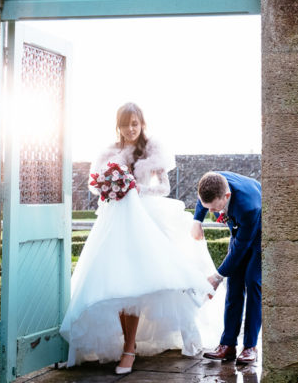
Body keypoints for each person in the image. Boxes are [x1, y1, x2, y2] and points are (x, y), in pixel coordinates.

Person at [60, 102, 223, 374]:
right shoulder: (110, 153)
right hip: (117, 222)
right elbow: (96, 185)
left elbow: (165, 187)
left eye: (135, 123)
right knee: (117, 281)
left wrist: (137, 188)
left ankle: (133, 347)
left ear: (142, 124)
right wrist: (112, 187)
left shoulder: (152, 150)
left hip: (147, 218)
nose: (130, 128)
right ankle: (127, 345)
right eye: (125, 124)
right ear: (118, 126)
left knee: (155, 280)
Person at [190, 171, 262, 365]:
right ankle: (228, 344)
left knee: (253, 282)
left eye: (215, 208)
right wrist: (197, 220)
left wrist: (217, 276)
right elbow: (203, 199)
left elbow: (241, 247)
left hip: (259, 234)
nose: (213, 213)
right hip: (241, 231)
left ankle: (250, 346)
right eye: (209, 208)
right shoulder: (212, 181)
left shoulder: (248, 207)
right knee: (234, 286)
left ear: (227, 196)